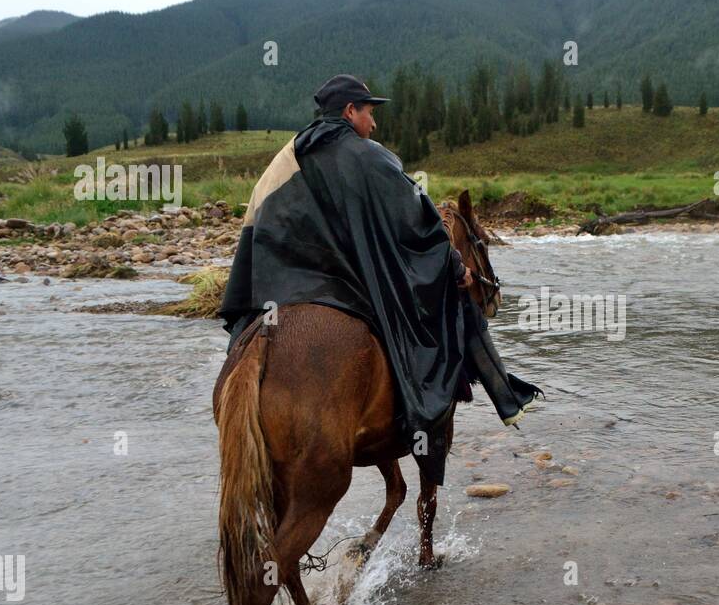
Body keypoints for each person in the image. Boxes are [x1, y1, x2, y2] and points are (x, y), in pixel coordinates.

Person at [218, 75, 540, 483]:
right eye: (369, 112)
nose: (374, 123)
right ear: (350, 111)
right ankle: (486, 398)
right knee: (456, 305)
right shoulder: (366, 155)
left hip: (279, 285)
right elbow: (419, 222)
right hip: (339, 282)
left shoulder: (292, 154)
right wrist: (458, 270)